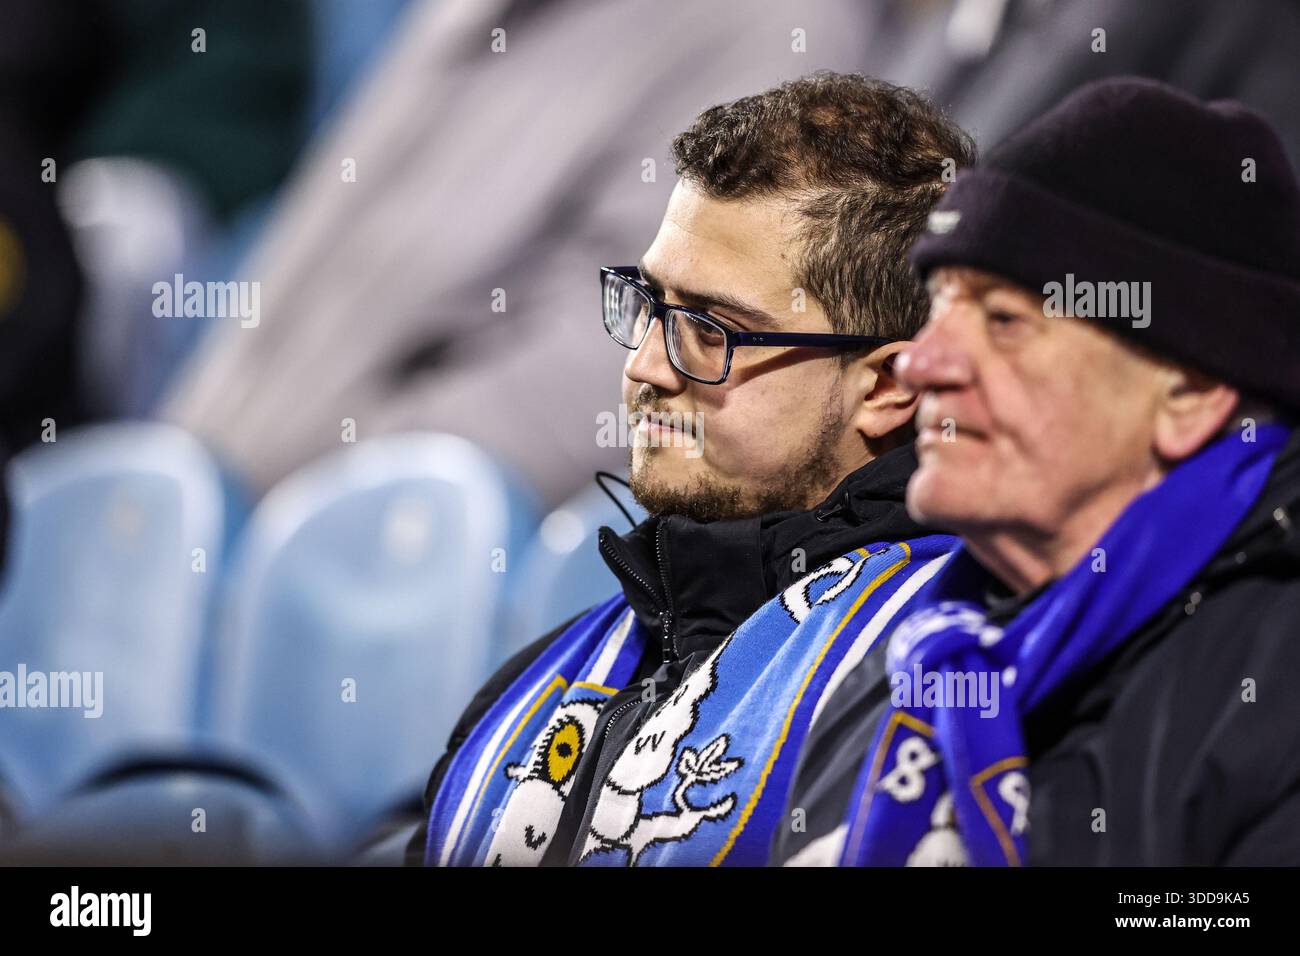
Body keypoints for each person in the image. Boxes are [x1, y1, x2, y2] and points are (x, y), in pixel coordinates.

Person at [409, 72, 975, 866]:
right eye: (648, 303)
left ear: (887, 387)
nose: (645, 367)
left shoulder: (943, 677)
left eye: (712, 331)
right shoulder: (532, 685)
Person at [775, 76, 1300, 867]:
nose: (923, 360)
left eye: (1006, 322)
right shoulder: (915, 650)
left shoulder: (1275, 687)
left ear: (1187, 395)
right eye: (940, 306)